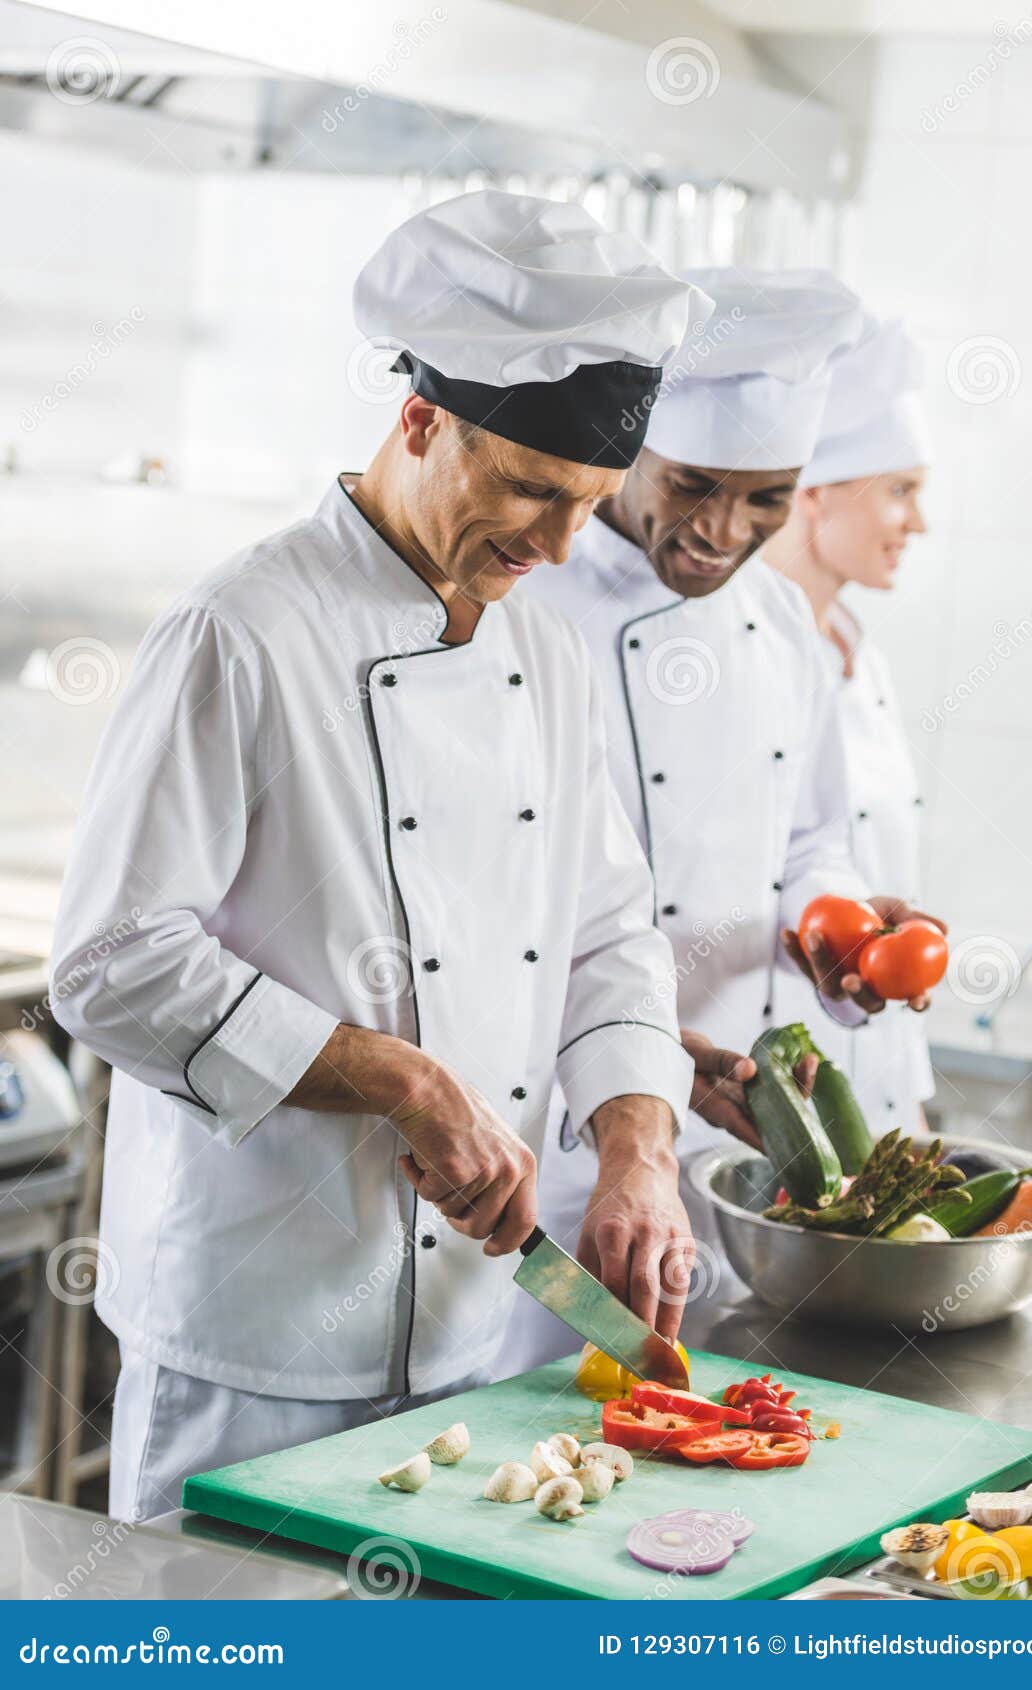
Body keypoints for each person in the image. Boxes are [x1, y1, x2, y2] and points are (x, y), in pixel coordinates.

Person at [49, 191, 709, 1520]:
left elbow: (607, 931)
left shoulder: (547, 650)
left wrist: (639, 1146)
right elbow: (113, 963)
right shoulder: (242, 630)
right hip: (254, 1341)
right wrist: (405, 1079)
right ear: (420, 422)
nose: (556, 545)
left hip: (470, 1330)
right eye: (531, 488)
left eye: (590, 504)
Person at [499, 270, 942, 1376]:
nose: (720, 530)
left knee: (701, 1420)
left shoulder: (781, 622)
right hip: (552, 1138)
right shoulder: (520, 603)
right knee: (539, 1423)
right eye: (692, 485)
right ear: (630, 452)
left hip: (734, 1135)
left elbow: (810, 840)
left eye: (766, 501)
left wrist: (838, 933)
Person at [764, 317, 935, 1129]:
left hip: (879, 1075)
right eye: (900, 490)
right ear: (815, 493)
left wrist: (911, 1099)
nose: (918, 522)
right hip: (781, 1083)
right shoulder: (746, 659)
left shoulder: (863, 658)